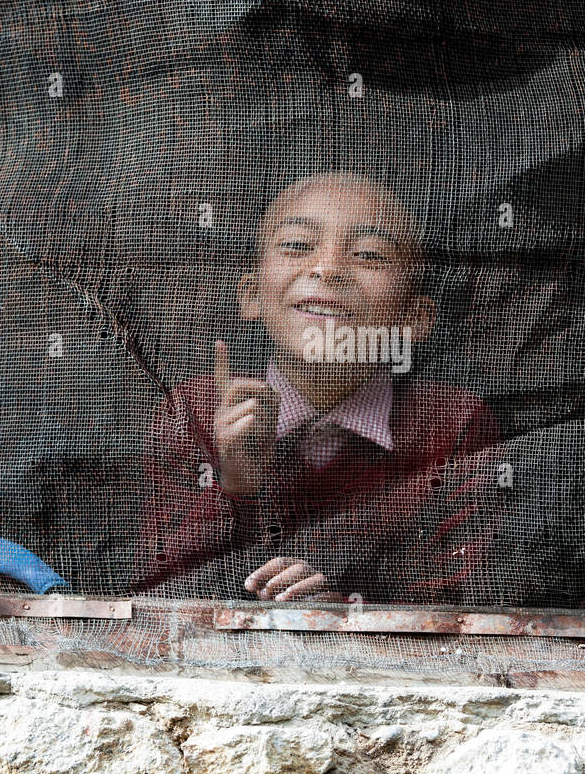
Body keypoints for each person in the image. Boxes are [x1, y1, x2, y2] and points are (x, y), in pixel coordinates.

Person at [131, 171, 502, 604]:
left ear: (415, 316)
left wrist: (340, 612)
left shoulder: (450, 422)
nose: (326, 268)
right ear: (251, 294)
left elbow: (465, 600)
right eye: (296, 246)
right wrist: (235, 488)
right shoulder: (196, 410)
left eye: (369, 255)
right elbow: (157, 591)